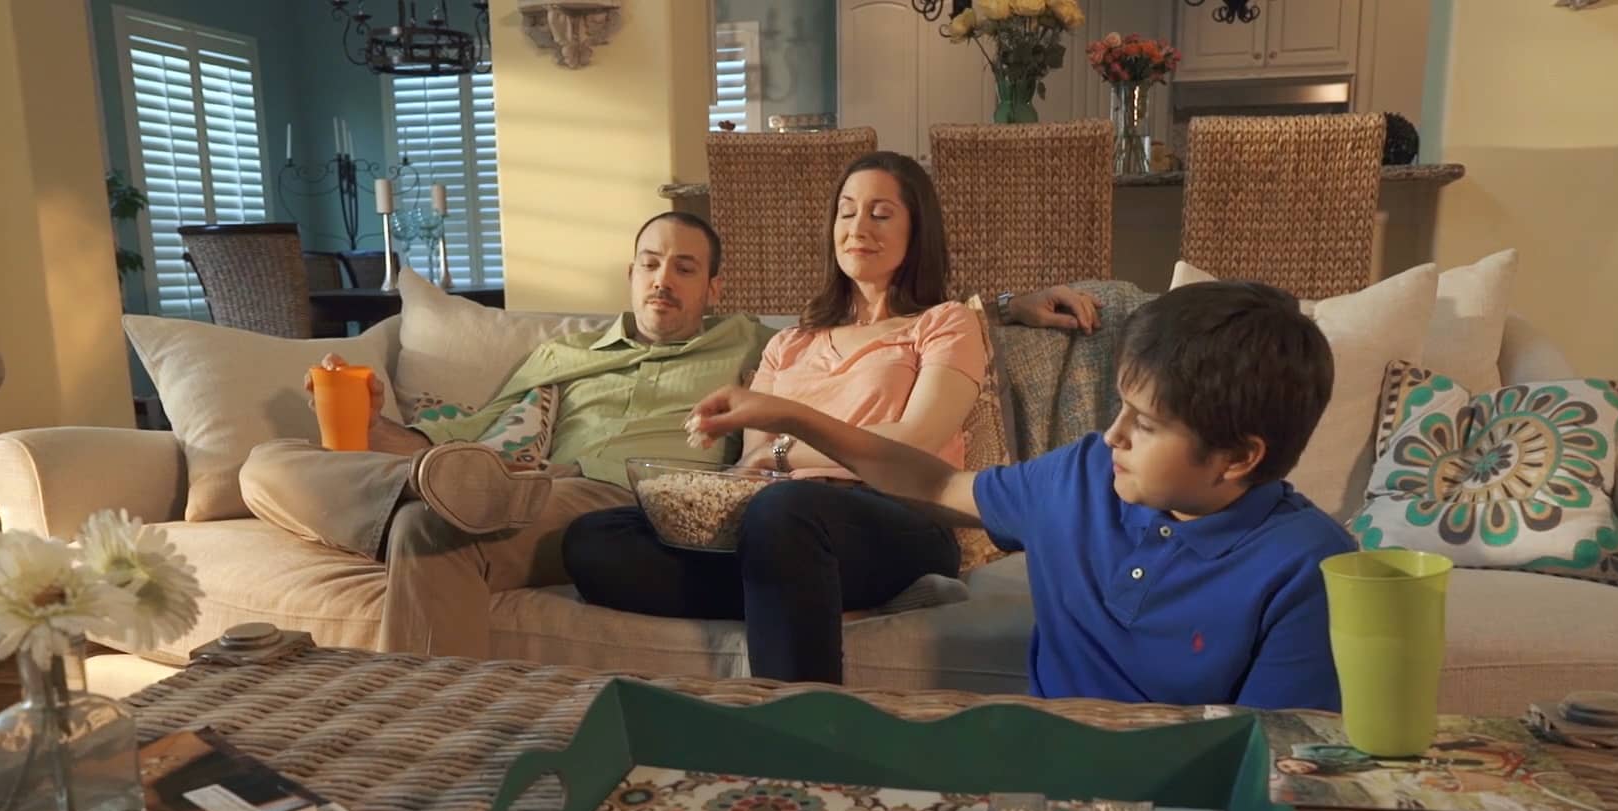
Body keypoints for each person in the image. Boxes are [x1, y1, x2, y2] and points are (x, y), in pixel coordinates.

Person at [682, 279, 1358, 710]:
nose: (1113, 435)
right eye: (1120, 408)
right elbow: (934, 481)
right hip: (1038, 785)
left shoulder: (1311, 570)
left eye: (1146, 425)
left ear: (1239, 456)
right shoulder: (1084, 475)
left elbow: (1271, 767)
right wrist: (792, 417)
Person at [238, 211, 774, 658]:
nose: (662, 280)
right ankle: (423, 485)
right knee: (265, 464)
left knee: (428, 525)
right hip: (523, 486)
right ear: (631, 274)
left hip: (624, 502)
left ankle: (421, 720)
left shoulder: (752, 344)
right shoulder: (564, 354)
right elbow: (469, 437)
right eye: (650, 264)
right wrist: (371, 422)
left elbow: (800, 407)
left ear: (713, 287)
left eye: (684, 268)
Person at [560, 151, 987, 685]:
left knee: (786, 511)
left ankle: (799, 720)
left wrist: (785, 447)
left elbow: (915, 444)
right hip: (779, 527)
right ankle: (828, 596)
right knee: (597, 538)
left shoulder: (943, 323)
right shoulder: (789, 343)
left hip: (897, 514)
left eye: (880, 214)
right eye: (847, 212)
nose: (858, 227)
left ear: (917, 230)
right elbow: (753, 466)